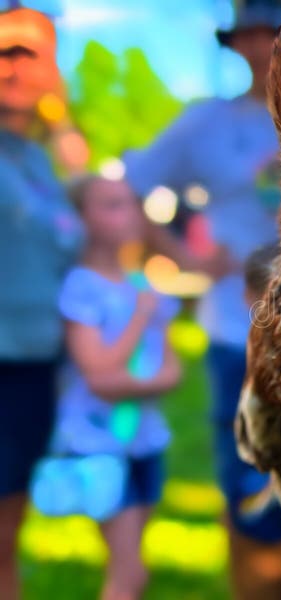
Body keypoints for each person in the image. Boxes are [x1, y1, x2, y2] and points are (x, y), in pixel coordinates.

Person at [123, 4, 281, 598]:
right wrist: (185, 259)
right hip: (234, 329)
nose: (264, 45)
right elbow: (131, 188)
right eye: (253, 33)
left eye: (277, 33)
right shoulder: (205, 123)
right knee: (250, 475)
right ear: (235, 42)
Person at [53, 175, 181, 600]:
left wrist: (132, 381)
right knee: (128, 576)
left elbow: (172, 371)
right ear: (80, 218)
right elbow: (98, 371)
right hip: (100, 445)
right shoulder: (82, 288)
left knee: (131, 570)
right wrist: (142, 318)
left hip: (144, 442)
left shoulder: (138, 285)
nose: (127, 214)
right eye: (110, 204)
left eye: (129, 202)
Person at [0, 8, 84, 598]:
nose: (13, 67)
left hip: (32, 367)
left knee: (6, 533)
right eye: (4, 52)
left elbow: (89, 201)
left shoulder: (33, 158)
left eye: (30, 54)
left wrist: (59, 119)